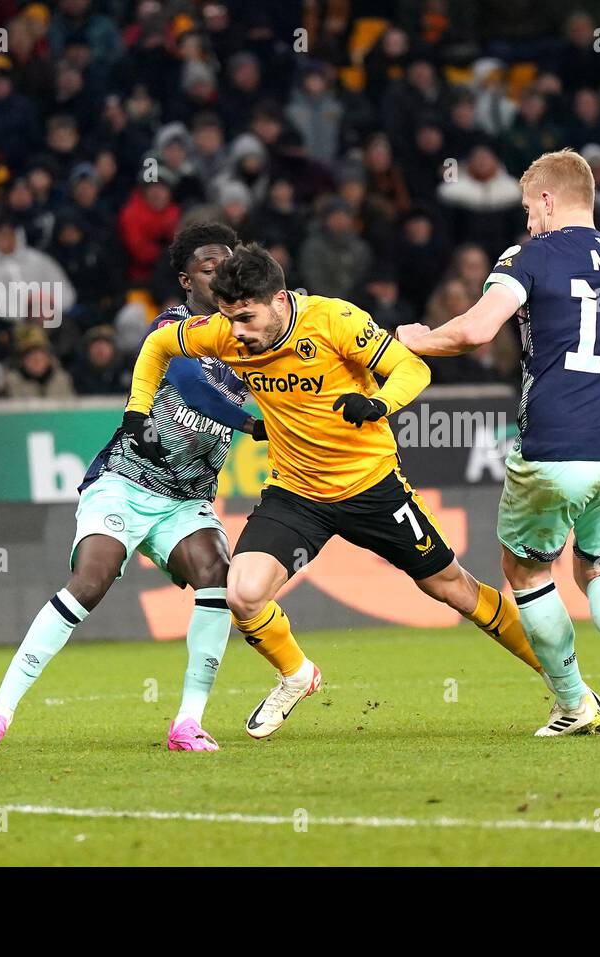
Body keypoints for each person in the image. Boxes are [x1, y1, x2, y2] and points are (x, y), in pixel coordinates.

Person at [121, 243, 546, 740]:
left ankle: (566, 684)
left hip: (370, 486)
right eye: (229, 318)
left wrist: (379, 403)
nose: (236, 332)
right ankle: (296, 675)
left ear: (280, 300)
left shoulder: (334, 320)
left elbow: (413, 369)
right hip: (296, 494)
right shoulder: (223, 332)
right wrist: (137, 409)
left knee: (452, 587)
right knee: (243, 594)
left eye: (246, 318)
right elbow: (157, 346)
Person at [0, 223, 266, 758]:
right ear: (186, 280)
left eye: (227, 263)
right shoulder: (171, 327)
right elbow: (192, 386)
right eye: (208, 267)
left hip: (187, 498)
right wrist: (250, 425)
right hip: (126, 481)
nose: (221, 273)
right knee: (91, 581)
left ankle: (188, 722)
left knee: (218, 577)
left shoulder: (249, 336)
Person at [397, 149, 600, 737]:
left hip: (556, 442)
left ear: (547, 199)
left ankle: (573, 704)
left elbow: (475, 330)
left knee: (525, 572)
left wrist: (418, 339)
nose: (527, 221)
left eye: (527, 209)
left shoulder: (530, 256)